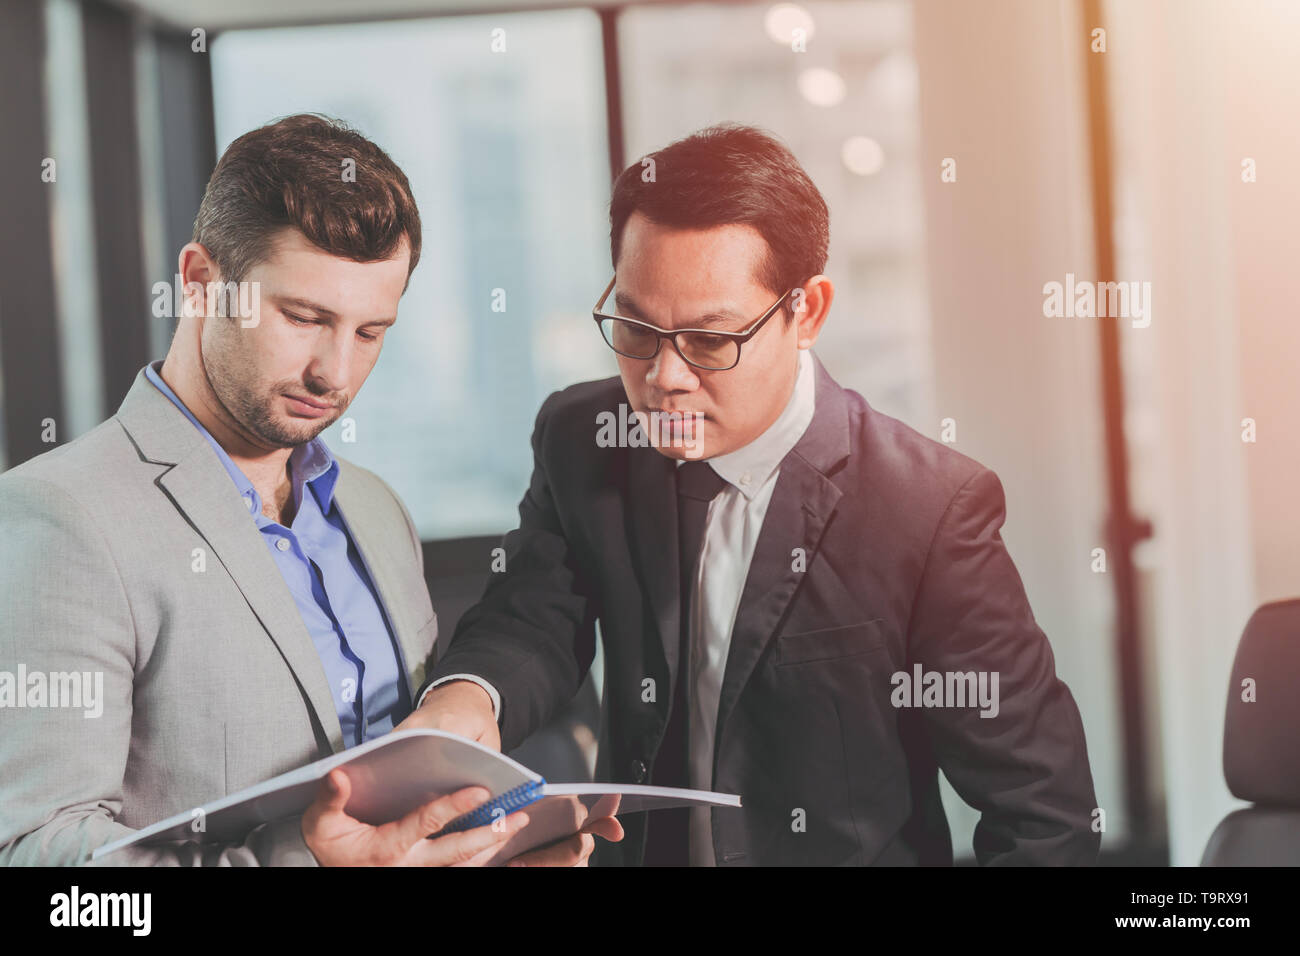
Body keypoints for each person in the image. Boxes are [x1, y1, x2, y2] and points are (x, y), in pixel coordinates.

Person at [404, 123, 1102, 866]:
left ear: (808, 313)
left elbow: (1042, 813)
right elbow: (532, 618)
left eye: (710, 341)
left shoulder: (926, 511)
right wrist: (465, 701)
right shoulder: (585, 438)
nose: (665, 378)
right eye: (636, 327)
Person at [0, 114, 616, 866]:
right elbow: (40, 864)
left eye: (369, 332)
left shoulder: (376, 510)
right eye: (303, 317)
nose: (336, 373)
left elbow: (402, 820)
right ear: (200, 282)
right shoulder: (59, 519)